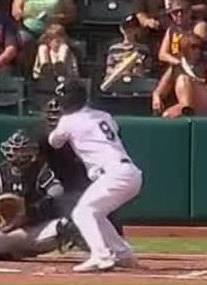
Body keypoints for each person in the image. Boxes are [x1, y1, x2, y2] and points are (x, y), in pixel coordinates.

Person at [46, 80, 142, 272]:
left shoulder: (68, 121)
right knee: (95, 213)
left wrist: (59, 123)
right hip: (130, 173)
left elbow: (54, 142)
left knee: (82, 213)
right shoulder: (104, 115)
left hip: (113, 173)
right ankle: (122, 253)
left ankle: (101, 256)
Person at [0, 131, 71, 263]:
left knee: (69, 225)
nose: (17, 155)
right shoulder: (0, 172)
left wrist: (30, 212)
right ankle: (11, 254)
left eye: (22, 151)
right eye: (15, 150)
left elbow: (57, 193)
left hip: (38, 229)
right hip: (10, 232)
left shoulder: (40, 170)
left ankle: (95, 251)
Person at [152, 31, 207, 118]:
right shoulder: (176, 67)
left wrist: (203, 83)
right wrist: (156, 98)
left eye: (199, 47)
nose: (197, 50)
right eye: (193, 47)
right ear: (184, 47)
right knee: (166, 116)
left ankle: (186, 109)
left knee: (183, 79)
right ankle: (186, 110)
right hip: (190, 107)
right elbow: (159, 91)